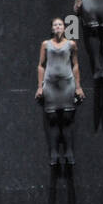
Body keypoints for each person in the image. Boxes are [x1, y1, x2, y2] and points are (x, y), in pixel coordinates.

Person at [36, 17, 84, 173]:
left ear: (64, 28)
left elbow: (75, 65)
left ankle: (69, 152)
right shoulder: (46, 44)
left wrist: (78, 86)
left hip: (67, 84)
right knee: (53, 120)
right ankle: (54, 153)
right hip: (50, 85)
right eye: (55, 25)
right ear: (52, 28)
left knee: (67, 119)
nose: (58, 27)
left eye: (60, 25)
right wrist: (39, 86)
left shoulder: (71, 44)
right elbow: (41, 66)